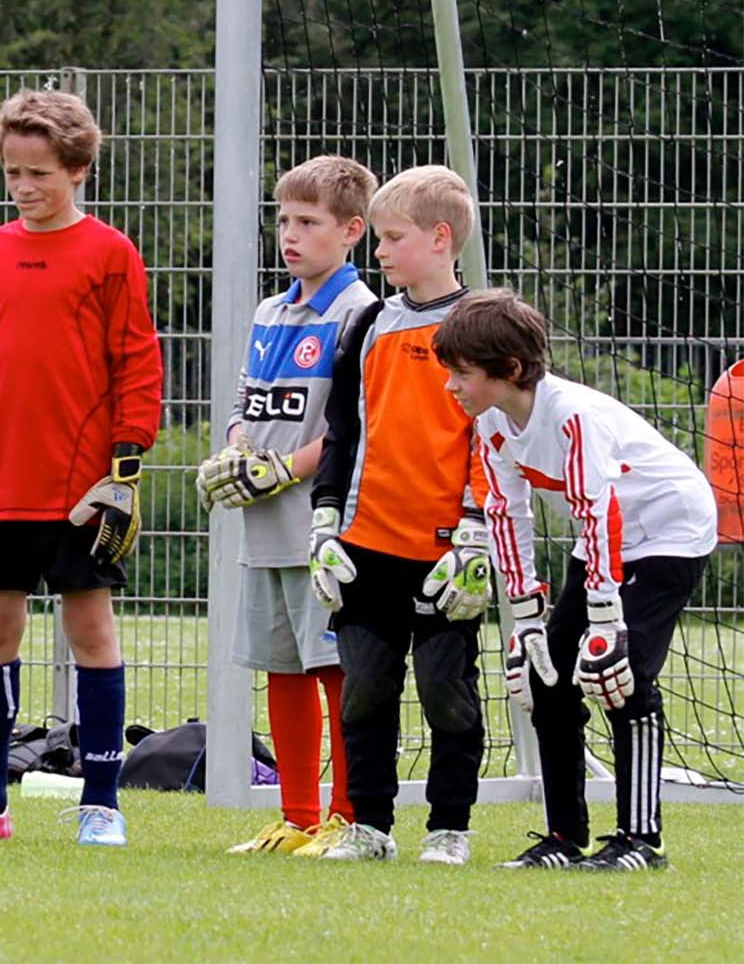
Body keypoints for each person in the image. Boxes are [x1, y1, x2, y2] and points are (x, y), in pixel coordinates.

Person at [0, 90, 162, 846]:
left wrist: (124, 469)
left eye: (39, 173)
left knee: (91, 631)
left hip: (80, 486)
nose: (23, 186)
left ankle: (102, 804)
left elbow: (137, 362)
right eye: (13, 172)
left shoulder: (111, 253)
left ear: (79, 168)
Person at [436, 289, 717, 871]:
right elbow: (507, 515)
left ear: (509, 369)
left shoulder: (571, 416)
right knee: (547, 677)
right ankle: (565, 837)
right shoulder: (491, 424)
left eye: (462, 373)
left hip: (668, 532)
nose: (451, 386)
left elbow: (596, 508)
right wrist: (527, 620)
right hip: (605, 544)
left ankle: (641, 841)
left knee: (620, 675)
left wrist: (608, 622)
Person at [306, 165, 490, 865]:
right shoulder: (368, 323)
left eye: (391, 237)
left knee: (447, 693)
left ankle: (449, 827)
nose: (378, 253)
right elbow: (342, 431)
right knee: (366, 690)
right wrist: (326, 519)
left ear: (441, 238)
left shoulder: (479, 324)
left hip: (447, 551)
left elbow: (494, 438)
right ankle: (370, 825)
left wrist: (476, 531)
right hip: (366, 545)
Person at [199, 156, 376, 857]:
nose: (291, 235)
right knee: (282, 665)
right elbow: (249, 402)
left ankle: (346, 814)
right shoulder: (271, 312)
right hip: (266, 523)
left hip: (325, 524)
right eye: (284, 220)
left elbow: (350, 426)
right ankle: (297, 816)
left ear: (352, 230)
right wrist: (240, 452)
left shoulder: (359, 312)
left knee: (335, 667)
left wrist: (286, 469)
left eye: (308, 222)